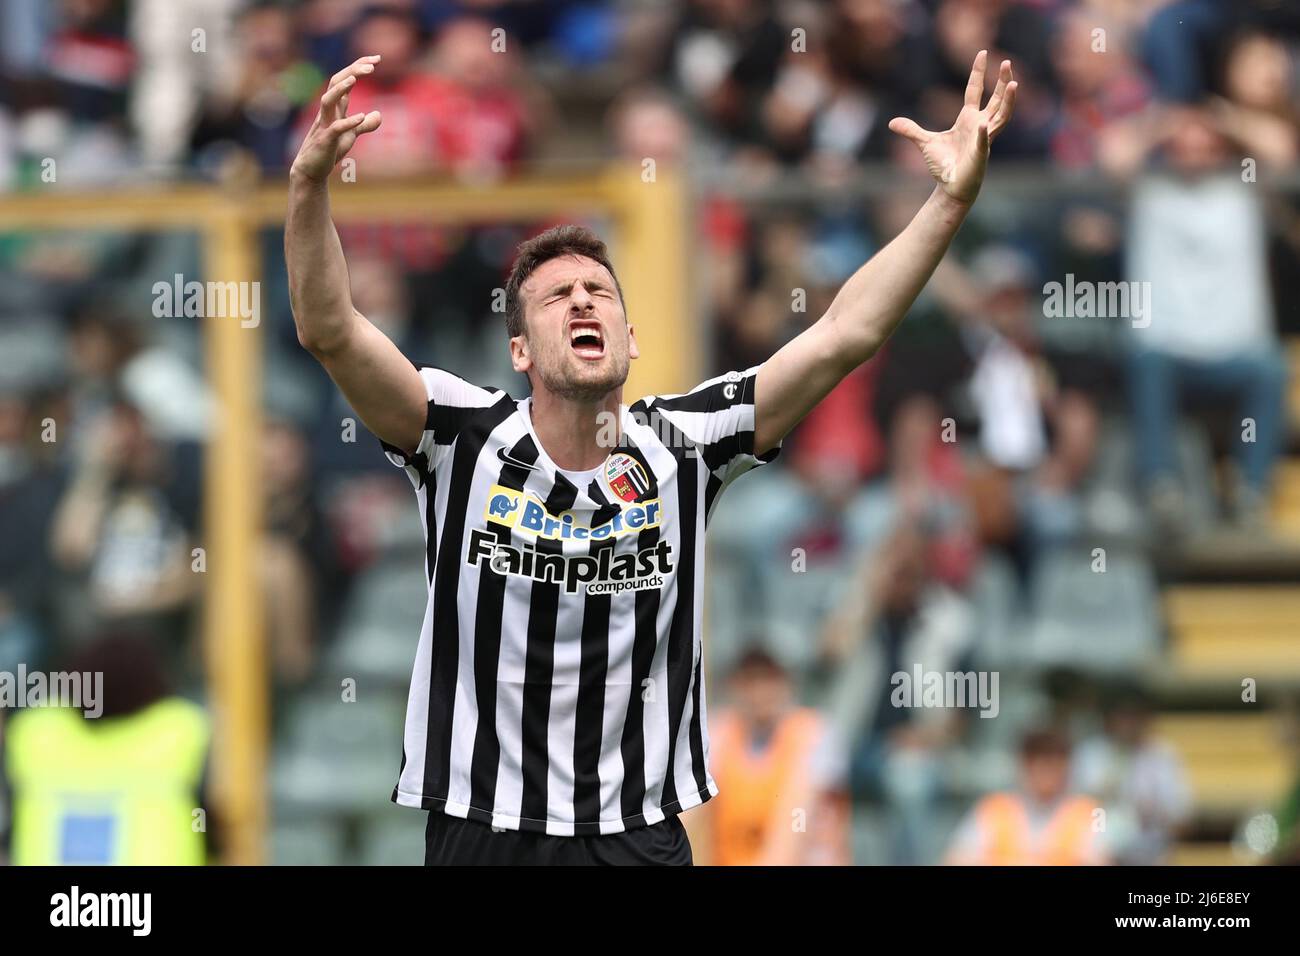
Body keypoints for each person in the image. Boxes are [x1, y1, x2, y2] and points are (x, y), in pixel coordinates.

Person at [284, 49, 1018, 865]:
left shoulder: (685, 444)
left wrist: (948, 201)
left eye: (599, 292)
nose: (583, 302)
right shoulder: (461, 435)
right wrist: (310, 190)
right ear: (521, 350)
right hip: (484, 829)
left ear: (631, 339)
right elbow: (331, 331)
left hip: (634, 837)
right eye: (558, 297)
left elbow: (846, 333)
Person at [701, 648, 849, 866]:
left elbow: (793, 828)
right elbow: (689, 813)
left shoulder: (814, 733)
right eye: (750, 681)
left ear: (787, 681)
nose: (759, 692)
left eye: (768, 679)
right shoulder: (720, 733)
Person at [946, 729, 1106, 866]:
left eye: (1055, 764)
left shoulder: (1089, 811)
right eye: (1041, 763)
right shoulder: (993, 808)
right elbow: (958, 858)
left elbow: (1099, 858)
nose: (1048, 773)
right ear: (1024, 765)